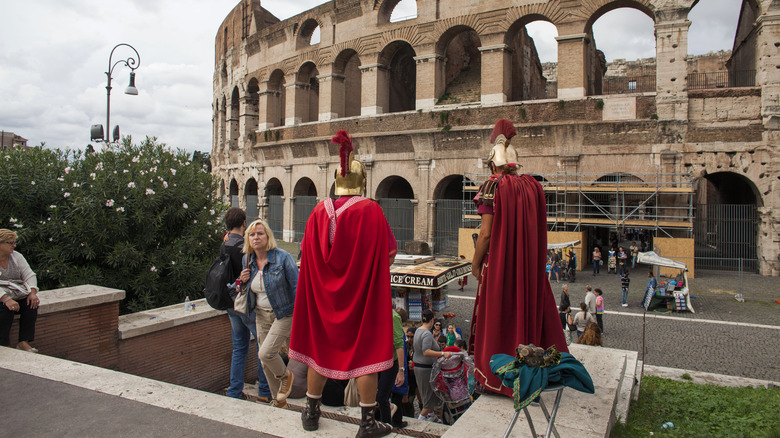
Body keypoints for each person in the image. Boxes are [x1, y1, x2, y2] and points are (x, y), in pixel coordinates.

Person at [290, 130, 397, 438]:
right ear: (362, 182)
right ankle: (366, 423)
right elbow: (389, 254)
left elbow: (307, 256)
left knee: (319, 353)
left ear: (336, 180)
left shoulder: (316, 213)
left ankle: (311, 413)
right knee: (366, 359)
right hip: (361, 300)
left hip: (324, 302)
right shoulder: (371, 211)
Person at [469, 119, 569, 398]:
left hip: (501, 266)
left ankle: (500, 375)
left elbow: (486, 234)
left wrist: (475, 265)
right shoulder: (532, 186)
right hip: (528, 266)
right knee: (528, 308)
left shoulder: (492, 186)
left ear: (493, 164)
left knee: (500, 316)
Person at [239, 219, 298, 408]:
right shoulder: (247, 259)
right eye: (252, 234)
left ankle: (286, 377)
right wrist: (242, 280)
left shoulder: (283, 257)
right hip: (260, 315)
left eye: (260, 234)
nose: (256, 237)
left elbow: (297, 287)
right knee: (264, 362)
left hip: (283, 313)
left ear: (268, 236)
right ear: (248, 238)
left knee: (266, 354)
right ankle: (278, 401)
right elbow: (245, 289)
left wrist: (300, 316)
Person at [221, 208, 272, 402]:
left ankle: (234, 390)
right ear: (244, 223)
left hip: (232, 302)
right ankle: (265, 391)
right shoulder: (244, 246)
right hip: (247, 303)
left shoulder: (224, 243)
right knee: (263, 348)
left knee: (239, 348)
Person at [0, 229, 40, 352]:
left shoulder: (16, 256)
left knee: (31, 305)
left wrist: (32, 293)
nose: (14, 246)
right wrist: (6, 299)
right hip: (2, 296)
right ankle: (3, 344)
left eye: (14, 242)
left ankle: (23, 341)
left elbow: (29, 275)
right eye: (10, 243)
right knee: (5, 310)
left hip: (15, 293)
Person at [413, 309, 453, 422]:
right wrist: (442, 354)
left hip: (420, 367)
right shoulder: (426, 334)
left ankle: (431, 415)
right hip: (425, 368)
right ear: (431, 321)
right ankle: (421, 419)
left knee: (427, 394)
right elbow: (426, 351)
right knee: (429, 396)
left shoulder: (417, 331)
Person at [376, 305, 406, 428]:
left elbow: (399, 344)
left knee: (382, 397)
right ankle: (378, 422)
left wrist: (401, 370)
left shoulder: (393, 317)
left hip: (389, 362)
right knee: (376, 397)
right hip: (376, 361)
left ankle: (387, 426)